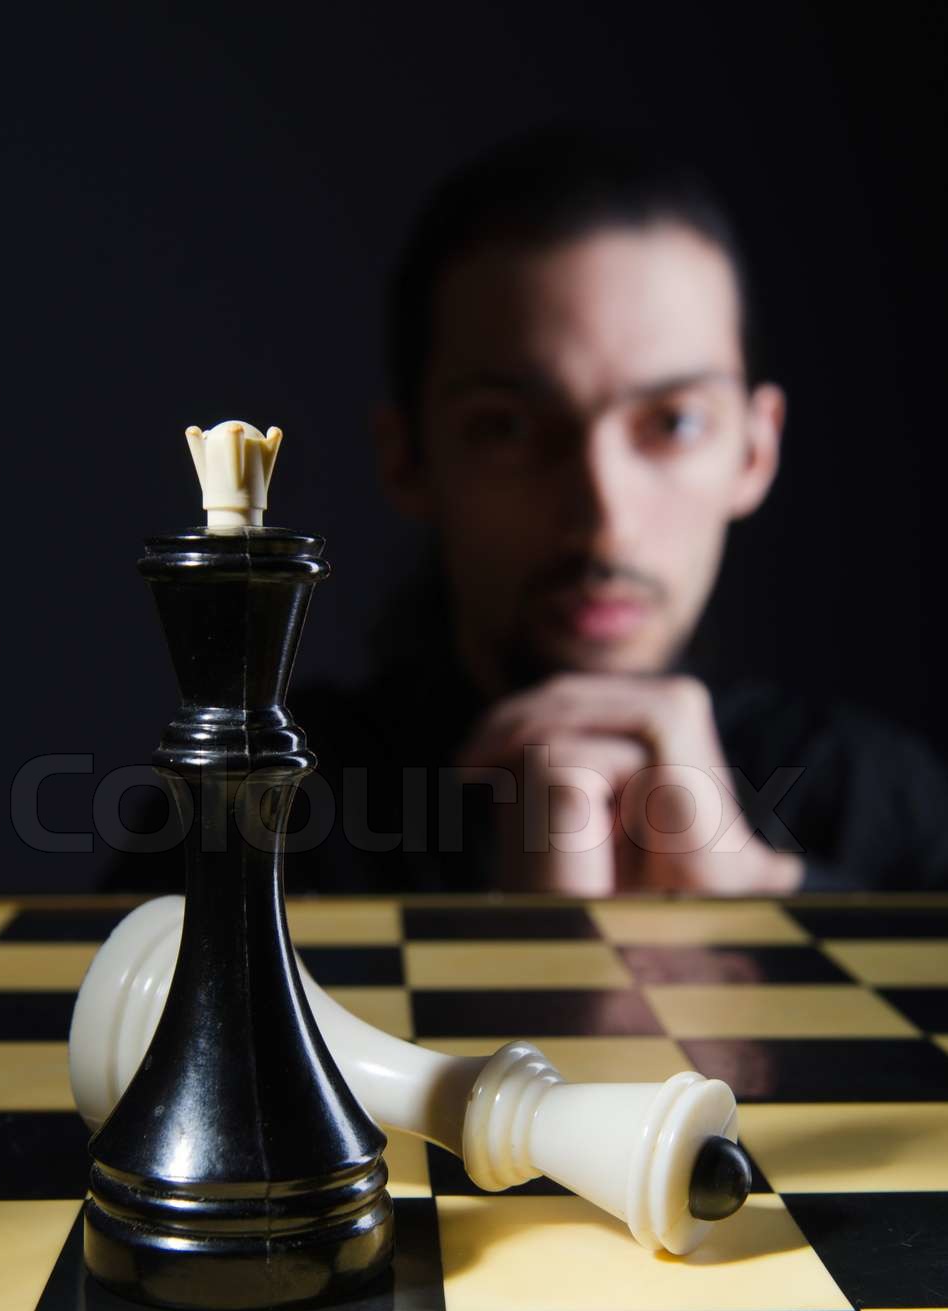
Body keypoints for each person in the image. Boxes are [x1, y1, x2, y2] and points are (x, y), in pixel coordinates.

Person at [108, 124, 948, 896]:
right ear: (409, 460)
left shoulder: (876, 796)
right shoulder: (254, 817)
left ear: (755, 452)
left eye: (675, 424)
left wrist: (764, 902)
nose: (602, 517)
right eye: (506, 429)